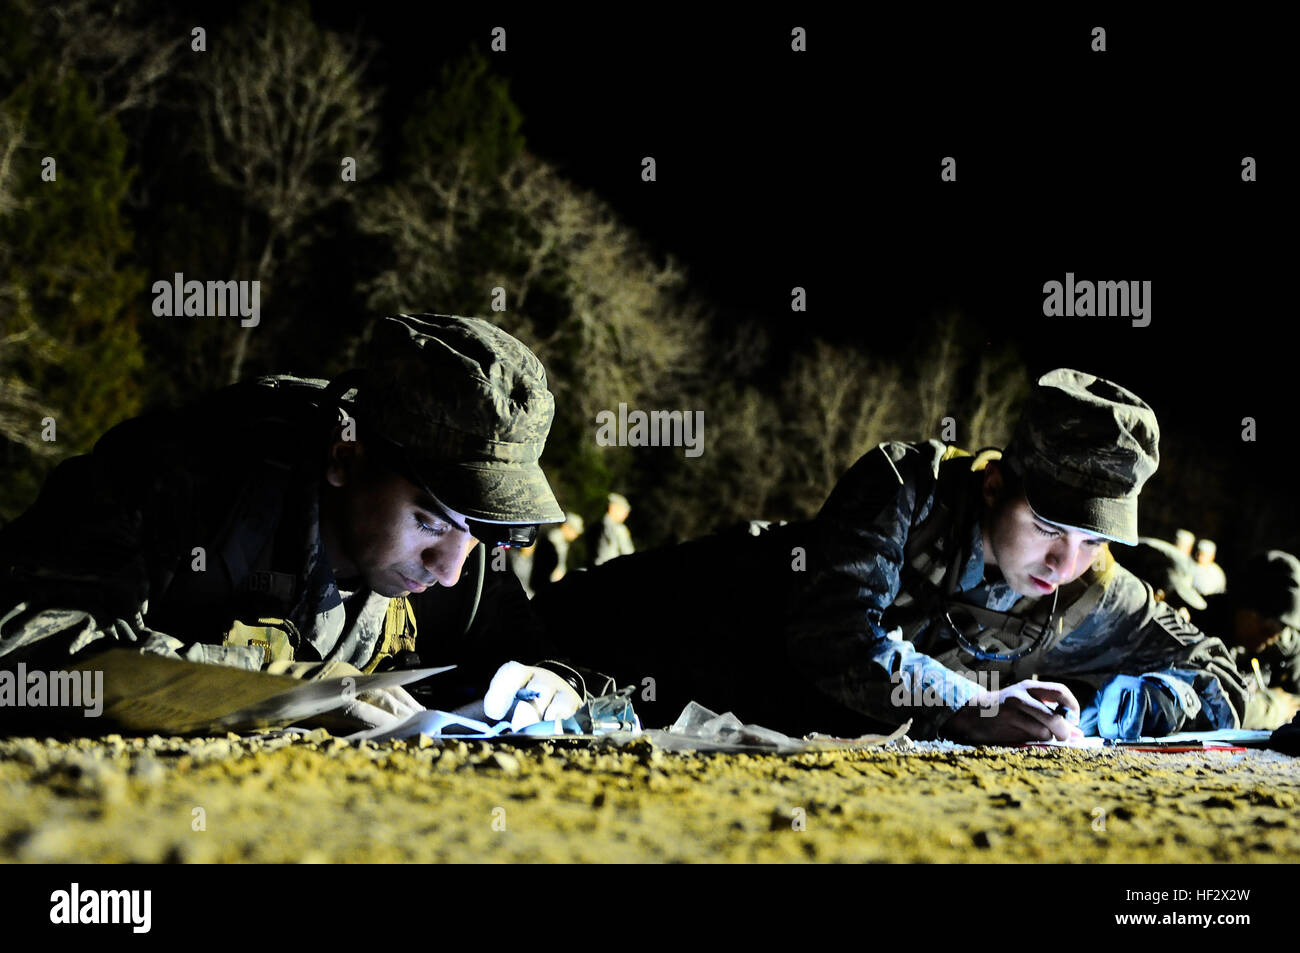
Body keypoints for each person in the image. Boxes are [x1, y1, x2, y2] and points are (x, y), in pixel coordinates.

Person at [533, 369, 1248, 743]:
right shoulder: (908, 485)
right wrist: (971, 705)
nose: (1066, 562)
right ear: (995, 485)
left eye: (1093, 539)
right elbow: (837, 634)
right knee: (520, 637)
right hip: (689, 610)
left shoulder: (1096, 591)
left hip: (753, 719)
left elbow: (1219, 676)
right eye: (1048, 526)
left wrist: (1119, 708)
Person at [0, 314, 582, 733]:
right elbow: (23, 645)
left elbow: (537, 655)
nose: (450, 570)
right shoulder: (183, 477)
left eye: (477, 532)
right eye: (430, 522)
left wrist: (557, 682)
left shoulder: (462, 551)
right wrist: (274, 687)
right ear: (346, 457)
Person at [530, 511, 584, 594]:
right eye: (575, 531)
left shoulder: (563, 542)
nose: (576, 535)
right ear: (566, 527)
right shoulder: (554, 540)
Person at [593, 493, 634, 566]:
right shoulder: (619, 529)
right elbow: (627, 552)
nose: (626, 515)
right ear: (612, 508)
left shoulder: (597, 525)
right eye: (623, 511)